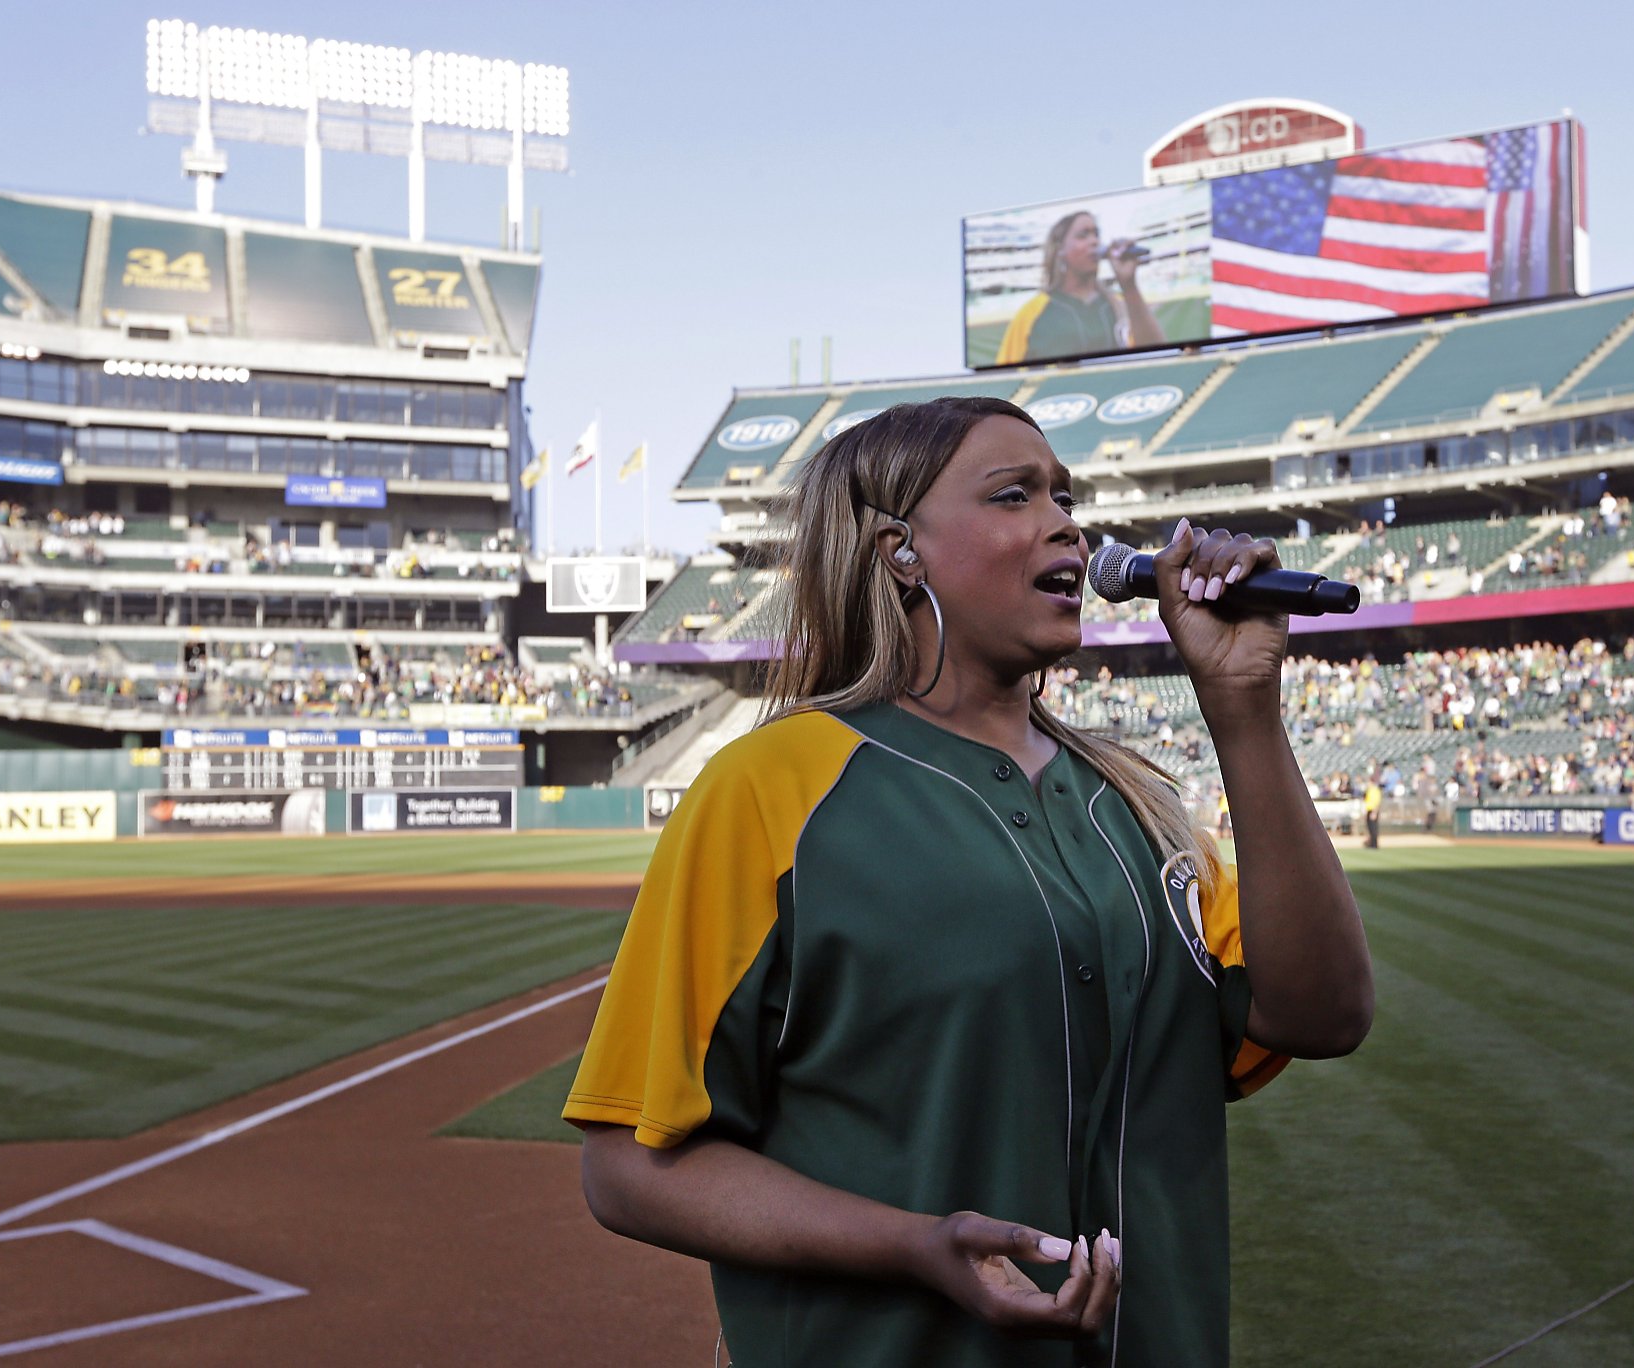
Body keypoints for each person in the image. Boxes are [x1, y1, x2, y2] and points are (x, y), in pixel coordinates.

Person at [564, 398, 1372, 1367]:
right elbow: (627, 1169)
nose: (1065, 521)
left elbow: (1325, 1014)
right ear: (899, 551)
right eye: (1012, 494)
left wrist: (1241, 707)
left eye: (1063, 496)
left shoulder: (1138, 807)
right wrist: (914, 1248)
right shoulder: (768, 791)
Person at [994, 210, 1167, 365]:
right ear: (1060, 249)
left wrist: (1129, 285)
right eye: (1083, 235)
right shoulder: (1032, 313)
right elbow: (1002, 373)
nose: (1094, 241)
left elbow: (1157, 355)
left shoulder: (1121, 304)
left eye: (1096, 234)